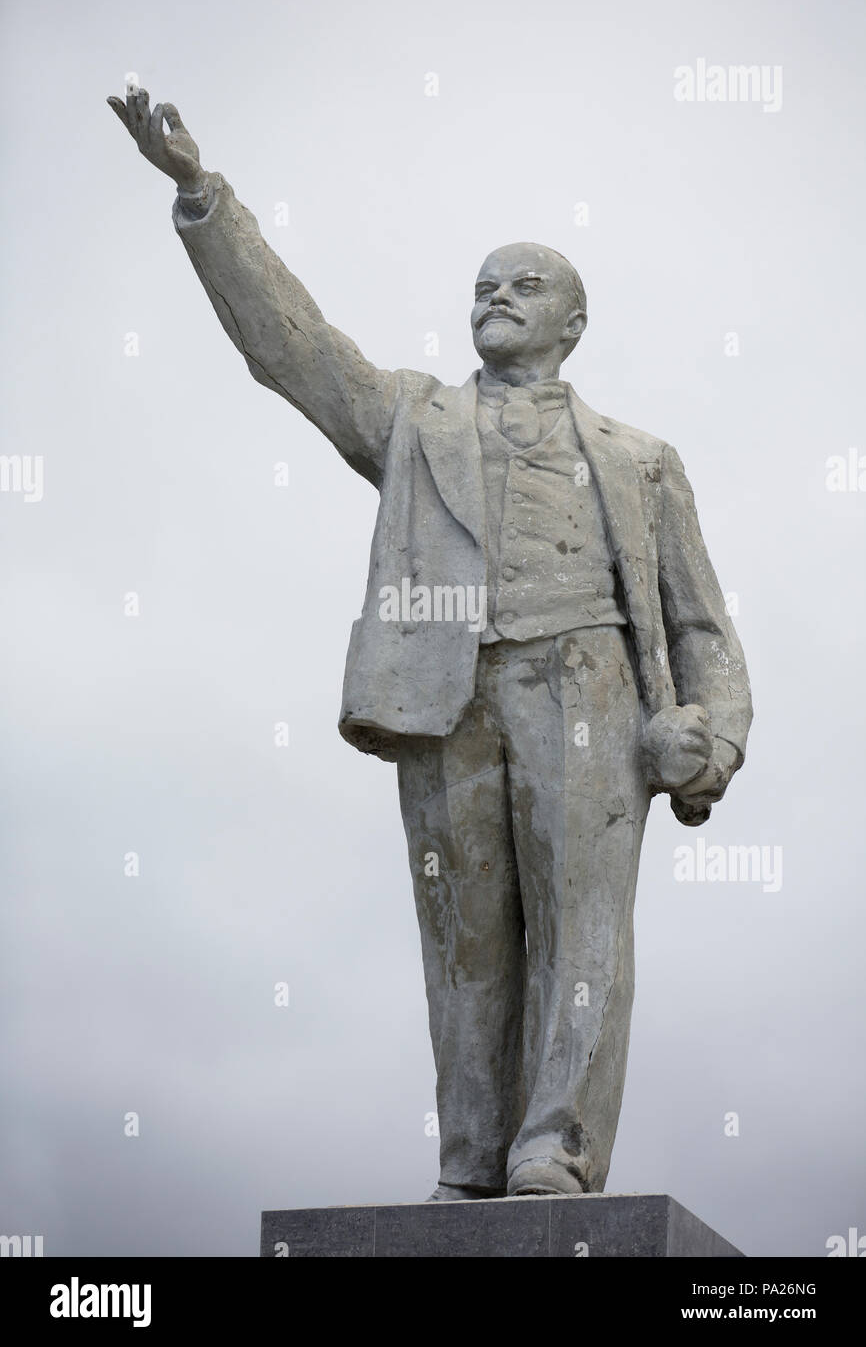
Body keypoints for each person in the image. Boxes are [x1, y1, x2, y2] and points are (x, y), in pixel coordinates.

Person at [108, 88, 753, 1200]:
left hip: (588, 683)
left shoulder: (640, 459)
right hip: (445, 693)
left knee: (582, 933)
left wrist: (716, 738)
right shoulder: (411, 417)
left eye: (524, 285)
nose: (496, 299)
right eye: (481, 288)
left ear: (572, 324)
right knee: (463, 943)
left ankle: (552, 1146)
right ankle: (466, 1162)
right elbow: (292, 350)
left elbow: (700, 622)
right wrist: (203, 198)